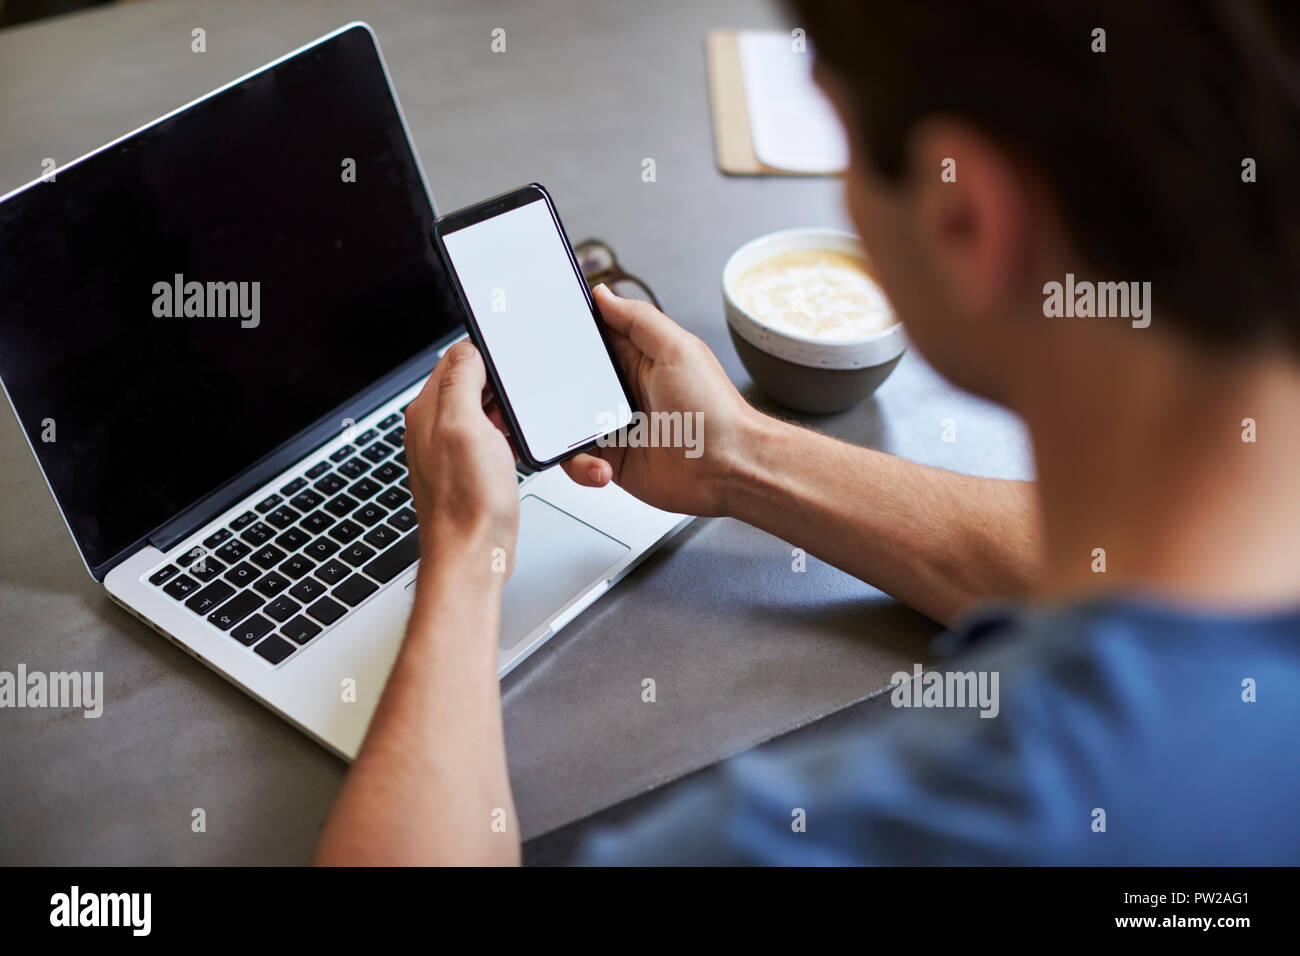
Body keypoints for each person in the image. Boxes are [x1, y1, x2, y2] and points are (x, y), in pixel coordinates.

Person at [313, 0, 1300, 865]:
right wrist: (739, 453)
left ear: (965, 221)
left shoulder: (861, 830)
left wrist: (465, 550)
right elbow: (1122, 578)